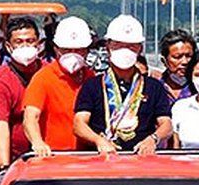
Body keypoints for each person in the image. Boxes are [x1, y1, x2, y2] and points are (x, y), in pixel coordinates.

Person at [74, 15, 174, 155]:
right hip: (102, 160)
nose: (125, 50)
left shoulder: (154, 87)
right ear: (108, 46)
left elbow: (166, 124)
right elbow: (79, 124)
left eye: (131, 46)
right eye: (118, 45)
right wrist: (97, 140)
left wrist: (153, 139)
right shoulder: (92, 86)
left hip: (141, 160)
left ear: (140, 48)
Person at [23, 16, 96, 156]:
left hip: (87, 157)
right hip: (54, 157)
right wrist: (37, 142)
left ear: (87, 50)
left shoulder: (91, 78)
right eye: (67, 50)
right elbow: (30, 117)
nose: (73, 55)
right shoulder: (43, 78)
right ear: (56, 49)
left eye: (79, 50)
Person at [0, 16, 44, 169]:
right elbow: (0, 126)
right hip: (16, 162)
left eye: (30, 41)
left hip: (48, 158)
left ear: (38, 44)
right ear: (8, 46)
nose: (25, 46)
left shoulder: (48, 73)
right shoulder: (1, 80)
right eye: (19, 42)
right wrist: (5, 168)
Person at [158, 28, 196, 98]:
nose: (185, 62)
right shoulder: (155, 89)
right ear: (164, 61)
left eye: (188, 56)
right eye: (177, 57)